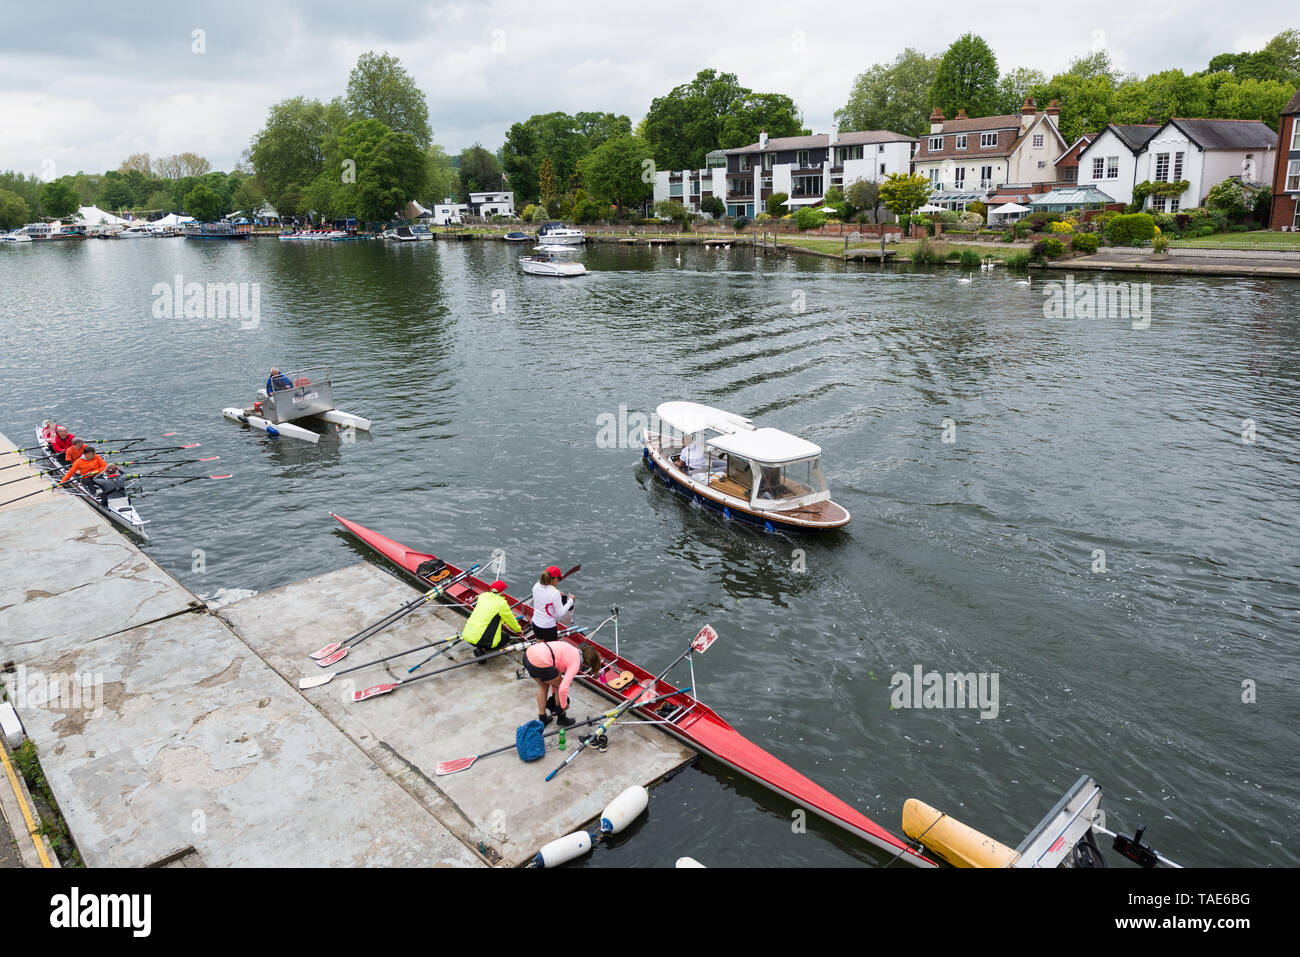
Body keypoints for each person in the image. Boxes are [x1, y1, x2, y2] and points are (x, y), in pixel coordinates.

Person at [522, 641, 603, 728]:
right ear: (586, 663)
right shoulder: (575, 663)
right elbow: (563, 688)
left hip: (528, 655)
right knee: (560, 685)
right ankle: (562, 718)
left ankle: (543, 719)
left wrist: (554, 692)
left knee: (544, 686)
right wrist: (564, 704)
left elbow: (555, 671)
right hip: (540, 662)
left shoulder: (570, 648)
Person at [460, 581, 522, 658]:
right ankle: (482, 649)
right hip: (483, 641)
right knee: (506, 637)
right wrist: (518, 630)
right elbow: (511, 621)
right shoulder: (502, 604)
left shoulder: (482, 596)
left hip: (467, 636)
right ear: (502, 591)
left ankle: (481, 646)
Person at [531, 566, 574, 644]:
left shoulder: (536, 586)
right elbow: (560, 613)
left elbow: (544, 596)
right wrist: (570, 600)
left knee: (540, 644)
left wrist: (557, 596)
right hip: (548, 627)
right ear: (555, 579)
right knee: (552, 648)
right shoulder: (554, 593)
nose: (558, 581)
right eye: (559, 579)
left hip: (535, 623)